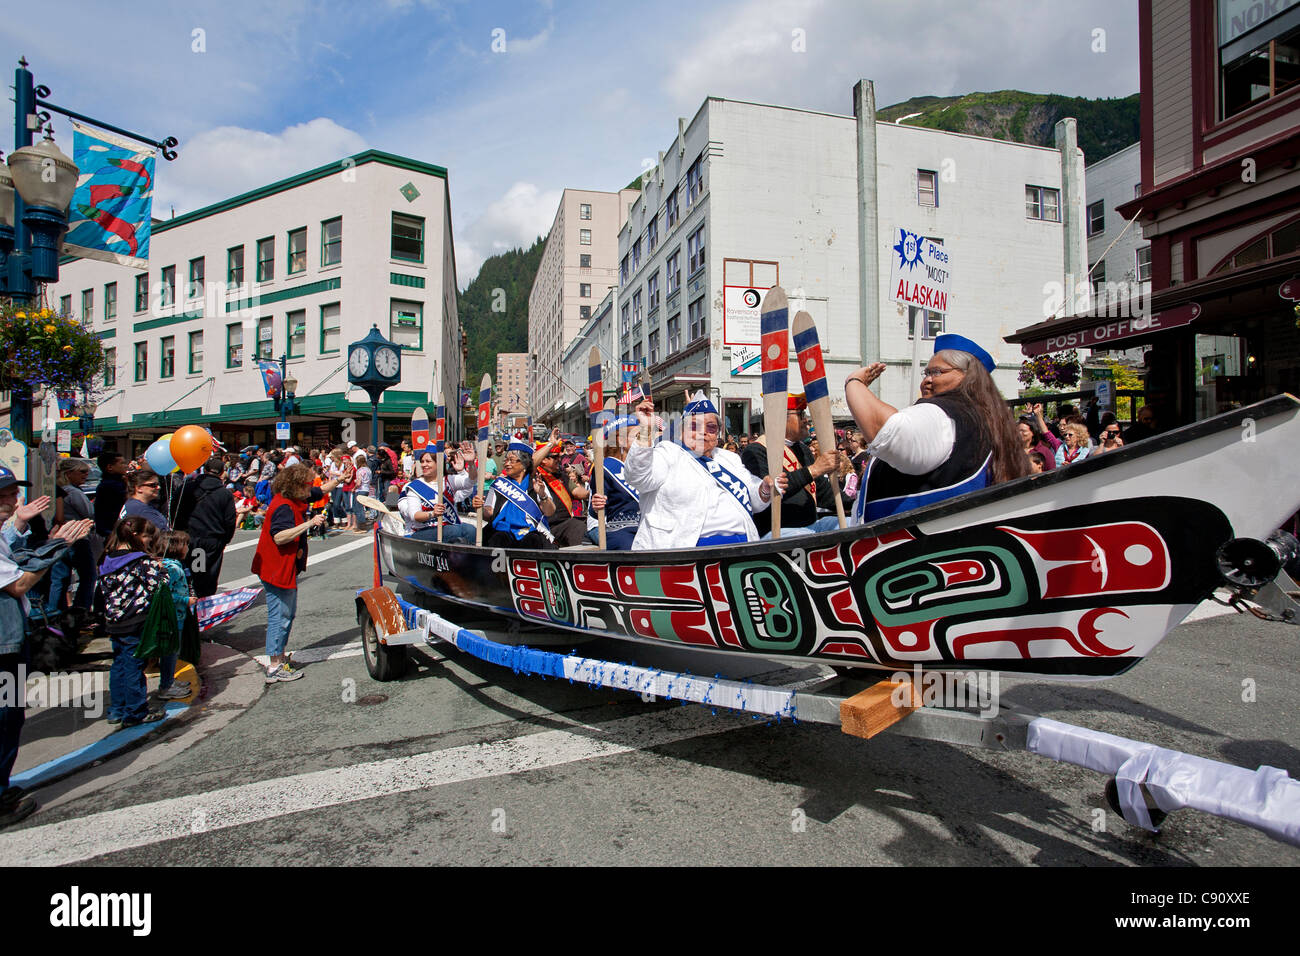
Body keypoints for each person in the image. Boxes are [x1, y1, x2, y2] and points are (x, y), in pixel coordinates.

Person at [844, 333, 1027, 523]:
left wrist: (854, 383)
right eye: (927, 373)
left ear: (968, 376)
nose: (927, 380)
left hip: (912, 544)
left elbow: (885, 429)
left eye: (937, 372)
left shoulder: (947, 415)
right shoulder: (979, 418)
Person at [1, 471, 91, 828]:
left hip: (9, 638)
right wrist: (57, 547)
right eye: (6, 494)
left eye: (13, 491)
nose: (14, 499)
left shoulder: (6, 527)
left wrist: (17, 526)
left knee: (11, 714)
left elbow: (6, 545)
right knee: (6, 717)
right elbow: (19, 583)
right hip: (4, 645)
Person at [624, 393, 782, 549]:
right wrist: (645, 429)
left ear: (718, 432)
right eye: (694, 426)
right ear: (681, 431)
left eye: (711, 427)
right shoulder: (667, 452)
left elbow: (753, 496)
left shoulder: (729, 458)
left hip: (741, 546)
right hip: (685, 551)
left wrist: (764, 489)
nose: (703, 432)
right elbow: (638, 477)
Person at [251, 463, 340, 683]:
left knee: (284, 614)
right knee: (280, 616)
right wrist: (309, 523)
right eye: (308, 485)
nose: (312, 488)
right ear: (296, 485)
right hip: (277, 569)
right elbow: (280, 537)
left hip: (281, 567)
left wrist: (340, 479)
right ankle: (275, 665)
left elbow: (321, 491)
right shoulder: (284, 506)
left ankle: (279, 657)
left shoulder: (294, 499)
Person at [98, 516, 169, 727]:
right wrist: (161, 569)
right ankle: (136, 711)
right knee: (134, 666)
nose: (149, 541)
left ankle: (116, 709)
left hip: (114, 619)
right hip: (135, 620)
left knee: (118, 664)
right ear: (136, 536)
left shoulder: (106, 558)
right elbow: (159, 584)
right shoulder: (140, 560)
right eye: (147, 536)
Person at [741, 393, 841, 538]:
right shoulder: (755, 451)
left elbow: (823, 492)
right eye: (801, 414)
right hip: (778, 530)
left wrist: (857, 505)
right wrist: (814, 470)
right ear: (781, 420)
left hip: (812, 525)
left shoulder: (803, 449)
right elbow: (773, 489)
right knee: (805, 536)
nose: (806, 420)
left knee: (851, 524)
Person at [469, 438, 558, 549]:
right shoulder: (499, 484)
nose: (507, 464)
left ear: (524, 464)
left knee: (533, 540)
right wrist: (480, 507)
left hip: (530, 532)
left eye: (512, 460)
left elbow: (550, 512)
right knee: (499, 538)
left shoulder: (536, 484)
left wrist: (542, 495)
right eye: (506, 460)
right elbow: (488, 513)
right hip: (503, 531)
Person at [174, 457, 237, 598]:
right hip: (211, 540)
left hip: (192, 538)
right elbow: (230, 521)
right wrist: (225, 540)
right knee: (204, 578)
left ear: (205, 469)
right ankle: (202, 606)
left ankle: (197, 603)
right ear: (222, 472)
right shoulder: (224, 493)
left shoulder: (188, 487)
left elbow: (174, 511)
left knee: (195, 574)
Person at [44, 458, 99, 616]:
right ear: (69, 473)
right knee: (88, 576)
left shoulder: (61, 490)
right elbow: (89, 514)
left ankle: (53, 613)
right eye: (82, 471)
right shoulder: (73, 492)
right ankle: (81, 612)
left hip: (60, 538)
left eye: (87, 471)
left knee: (59, 579)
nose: (86, 474)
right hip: (77, 539)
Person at [399, 445, 477, 543]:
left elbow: (471, 481)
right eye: (422, 461)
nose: (424, 465)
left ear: (439, 463)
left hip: (447, 529)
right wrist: (432, 514)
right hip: (423, 532)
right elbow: (414, 515)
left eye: (428, 461)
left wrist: (470, 463)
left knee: (471, 530)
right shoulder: (415, 486)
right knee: (459, 530)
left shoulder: (449, 480)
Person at [585, 416, 642, 549]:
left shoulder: (645, 465)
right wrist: (596, 505)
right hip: (620, 532)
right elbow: (595, 513)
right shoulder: (605, 468)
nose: (642, 440)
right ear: (621, 440)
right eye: (636, 436)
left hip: (647, 528)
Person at [152, 529, 197, 701]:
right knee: (171, 652)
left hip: (175, 616)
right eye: (185, 544)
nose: (188, 547)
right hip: (172, 617)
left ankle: (169, 681)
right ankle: (166, 685)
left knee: (172, 651)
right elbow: (167, 593)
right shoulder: (172, 568)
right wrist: (186, 600)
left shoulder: (170, 565)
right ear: (176, 547)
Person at [94, 450, 128, 538]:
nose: (126, 466)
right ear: (110, 467)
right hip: (112, 531)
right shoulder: (110, 485)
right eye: (122, 463)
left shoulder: (119, 482)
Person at [1017, 405, 1060, 471]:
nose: (1020, 434)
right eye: (1018, 431)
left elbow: (1051, 472)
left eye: (1023, 431)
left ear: (1033, 433)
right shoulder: (1013, 451)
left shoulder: (1044, 451)